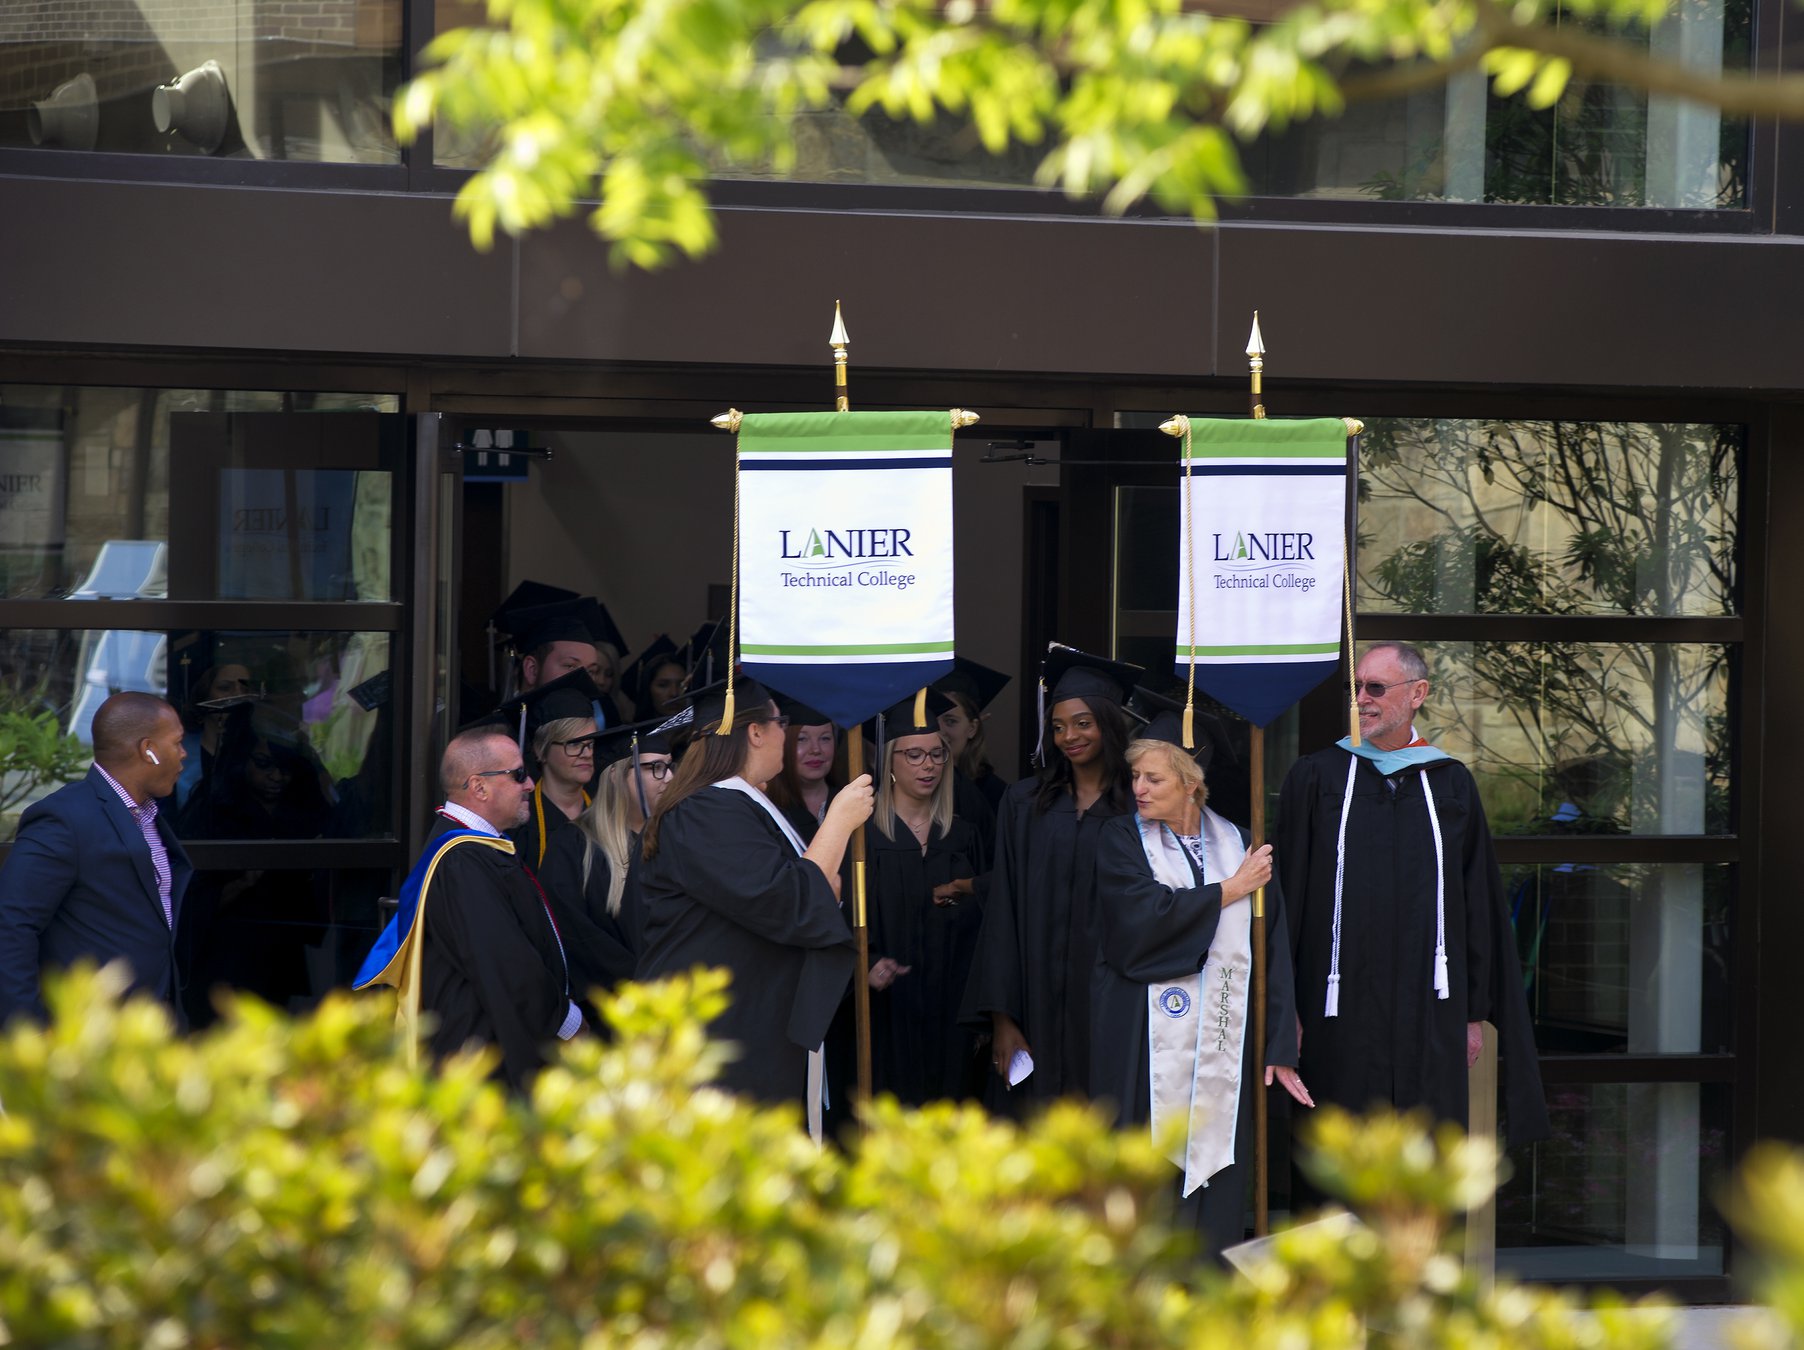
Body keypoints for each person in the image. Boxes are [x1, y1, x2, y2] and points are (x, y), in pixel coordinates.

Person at [1276, 642, 1549, 1189]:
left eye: (1375, 688)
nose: (1361, 700)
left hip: (1429, 1014)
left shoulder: (1449, 783)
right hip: (1336, 1014)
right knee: (1338, 1165)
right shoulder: (1317, 777)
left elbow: (1476, 904)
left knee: (1423, 1164)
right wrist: (1288, 1014)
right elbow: (1288, 900)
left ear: (1417, 694)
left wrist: (1471, 1013)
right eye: (1356, 688)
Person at [1092, 713, 1310, 1257]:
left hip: (1224, 1042)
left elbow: (1271, 950)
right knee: (1146, 1176)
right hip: (1142, 1040)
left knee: (1219, 1173)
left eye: (1154, 779)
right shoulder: (1119, 839)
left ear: (1191, 783)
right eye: (1136, 776)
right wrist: (1231, 890)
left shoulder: (1239, 842)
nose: (1138, 788)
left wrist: (1280, 1043)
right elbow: (1140, 921)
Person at [635, 677, 873, 1138]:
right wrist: (840, 820)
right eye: (780, 722)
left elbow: (807, 892)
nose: (787, 734)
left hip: (750, 1027)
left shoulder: (743, 804)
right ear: (756, 733)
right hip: (716, 1039)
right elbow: (792, 901)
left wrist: (824, 885)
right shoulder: (707, 810)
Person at [960, 644, 1142, 1112]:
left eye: (1083, 723)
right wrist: (1003, 1018)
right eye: (1058, 726)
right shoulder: (1025, 804)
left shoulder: (1139, 807)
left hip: (1110, 1005)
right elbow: (1004, 912)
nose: (1069, 737)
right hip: (1033, 1006)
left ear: (1108, 722)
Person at [354, 726, 586, 1093]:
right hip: (478, 1058)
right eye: (519, 775)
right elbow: (506, 963)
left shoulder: (476, 852)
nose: (530, 785)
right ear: (479, 787)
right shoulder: (461, 861)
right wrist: (567, 1021)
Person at [0, 692, 192, 1026]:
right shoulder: (64, 819)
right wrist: (29, 1030)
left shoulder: (147, 816)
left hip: (149, 1028)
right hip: (90, 1036)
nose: (183, 754)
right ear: (148, 750)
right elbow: (11, 924)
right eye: (176, 743)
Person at [862, 688, 985, 1104]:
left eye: (936, 754)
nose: (928, 765)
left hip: (952, 1015)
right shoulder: (863, 838)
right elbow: (837, 919)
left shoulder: (963, 834)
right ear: (890, 762)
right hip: (884, 1013)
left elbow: (987, 925)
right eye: (913, 755)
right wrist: (865, 964)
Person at [536, 717, 674, 1006]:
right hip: (604, 1011)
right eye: (655, 768)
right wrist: (639, 985)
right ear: (616, 775)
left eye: (670, 766)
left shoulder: (674, 842)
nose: (670, 778)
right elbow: (574, 935)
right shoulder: (573, 847)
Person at [500, 671, 604, 869]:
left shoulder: (604, 808)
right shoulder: (519, 819)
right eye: (574, 744)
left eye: (591, 743)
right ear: (541, 750)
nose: (586, 753)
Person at [934, 655, 1012, 817]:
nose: (939, 731)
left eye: (951, 721)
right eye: (933, 720)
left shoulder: (995, 794)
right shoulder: (915, 785)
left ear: (972, 728)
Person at [764, 693, 845, 843]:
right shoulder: (768, 811)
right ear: (783, 742)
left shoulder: (850, 803)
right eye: (802, 739)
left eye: (825, 738)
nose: (816, 749)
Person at [174, 661, 254, 809]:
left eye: (245, 689)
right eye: (225, 688)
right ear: (204, 694)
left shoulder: (262, 751)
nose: (237, 695)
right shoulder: (177, 751)